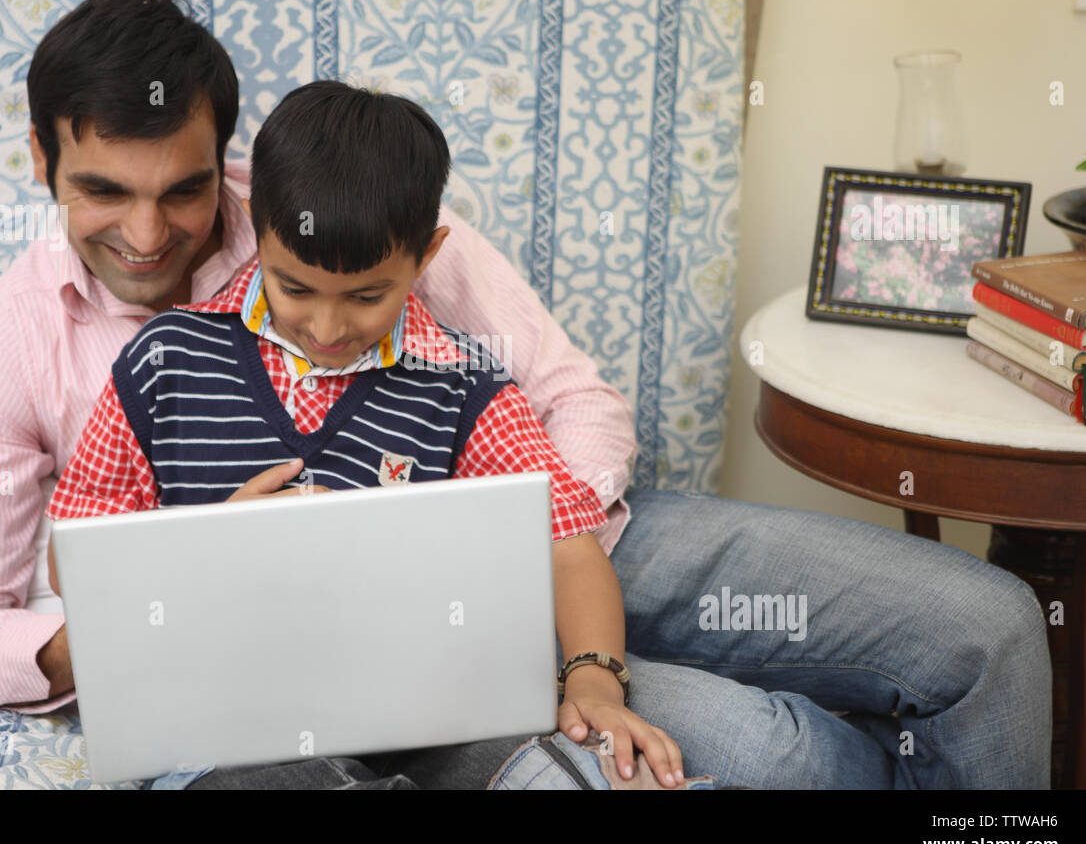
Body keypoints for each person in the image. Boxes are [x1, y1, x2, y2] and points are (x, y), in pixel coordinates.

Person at [0, 0, 1052, 790]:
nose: (149, 232)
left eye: (186, 190)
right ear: (41, 162)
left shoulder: (348, 207)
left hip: (567, 541)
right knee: (770, 750)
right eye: (103, 189)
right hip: (307, 664)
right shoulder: (22, 350)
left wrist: (500, 554)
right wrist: (181, 592)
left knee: (989, 623)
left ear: (227, 161)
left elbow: (569, 412)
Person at [46, 77, 694, 789]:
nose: (327, 329)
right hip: (221, 733)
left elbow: (567, 546)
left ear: (427, 254)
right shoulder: (165, 363)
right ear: (255, 227)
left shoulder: (461, 387)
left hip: (431, 722)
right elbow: (77, 562)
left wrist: (594, 683)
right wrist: (209, 555)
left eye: (366, 296)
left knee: (586, 779)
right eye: (294, 288)